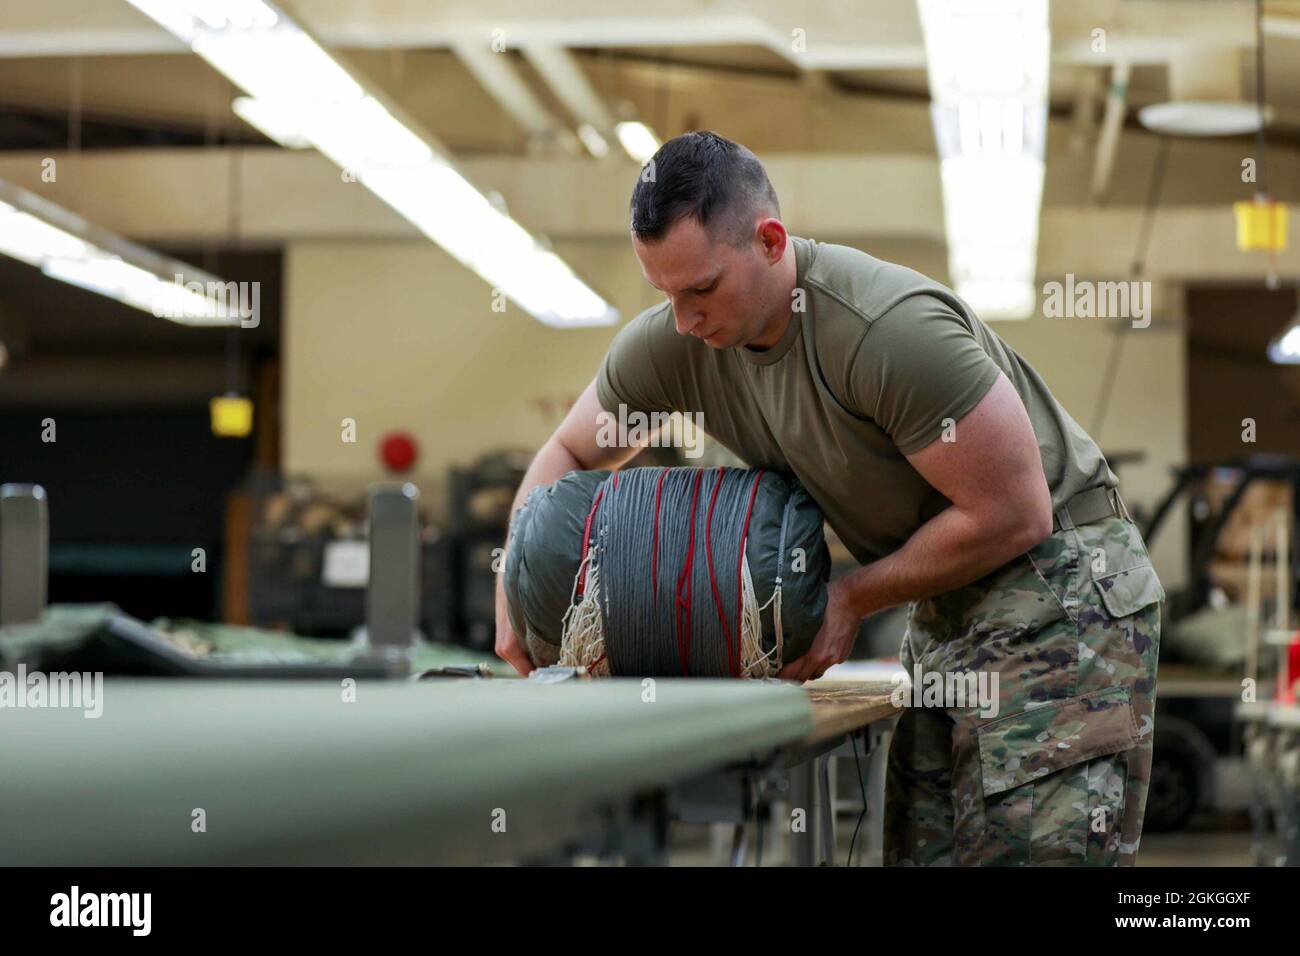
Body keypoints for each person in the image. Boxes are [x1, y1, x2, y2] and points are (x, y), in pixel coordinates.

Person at [493, 130, 1162, 866]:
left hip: (1059, 582)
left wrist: (850, 599)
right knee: (925, 850)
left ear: (771, 241)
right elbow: (568, 453)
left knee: (1033, 853)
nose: (684, 318)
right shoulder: (676, 344)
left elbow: (1015, 511)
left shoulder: (884, 330)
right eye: (665, 293)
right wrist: (515, 593)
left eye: (702, 289)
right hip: (944, 596)